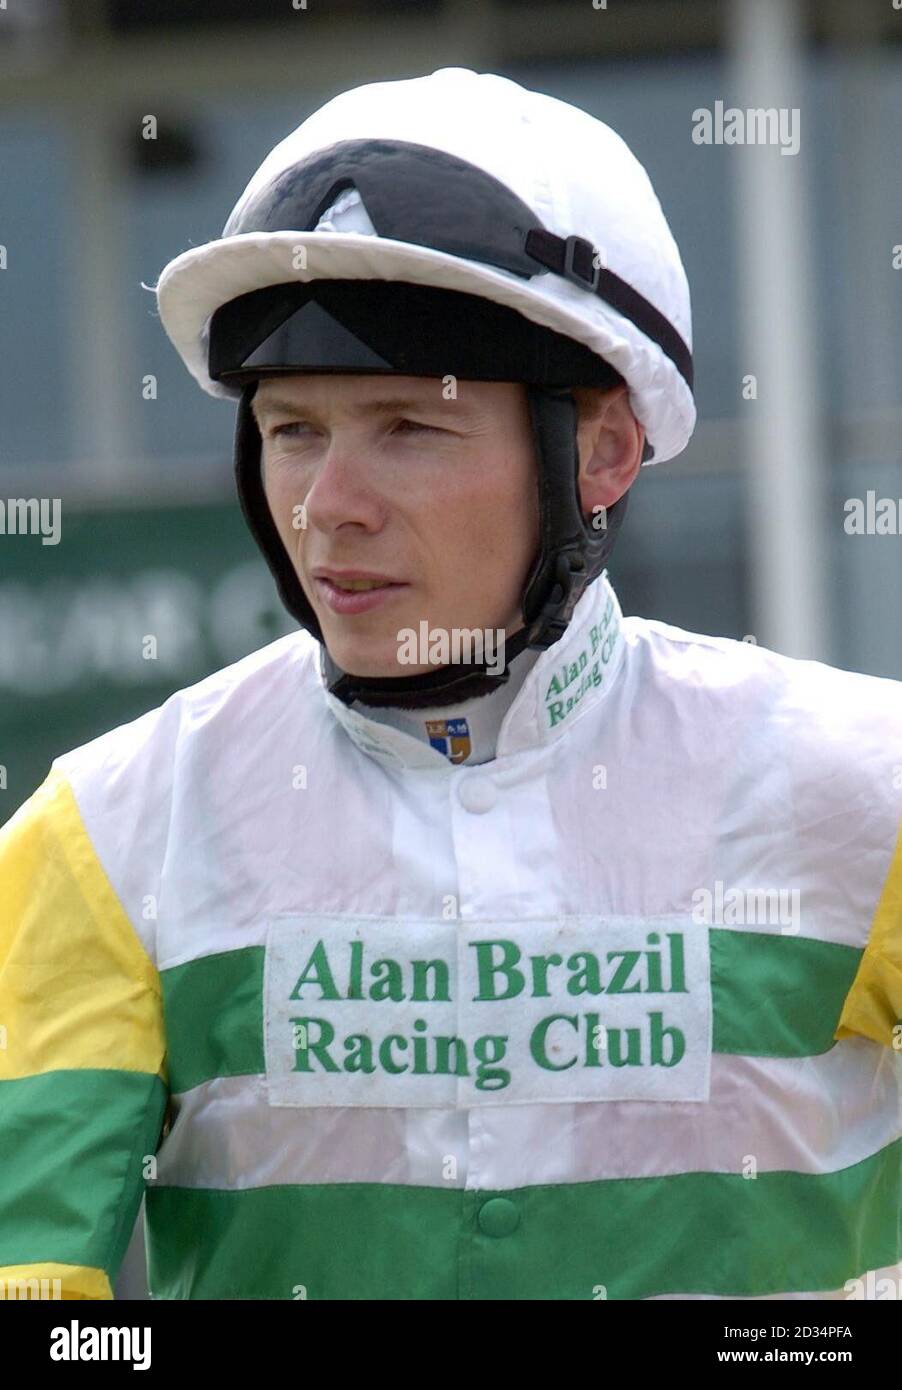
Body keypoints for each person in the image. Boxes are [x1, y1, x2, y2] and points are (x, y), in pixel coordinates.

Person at [0, 68, 899, 1302]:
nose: (327, 506)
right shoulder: (98, 835)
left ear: (603, 449)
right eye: (292, 429)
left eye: (406, 428)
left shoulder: (866, 788)